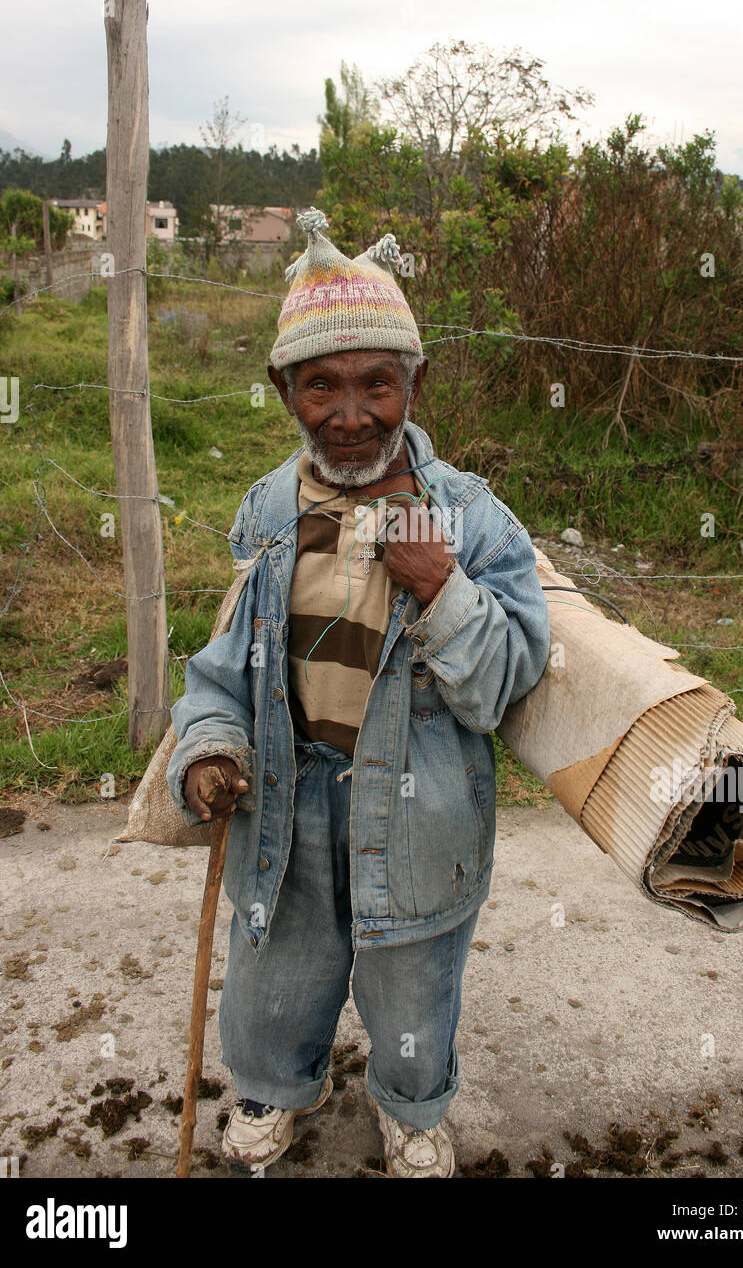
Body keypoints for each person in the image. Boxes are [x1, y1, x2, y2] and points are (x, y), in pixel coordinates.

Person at [166, 208, 550, 1177]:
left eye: (377, 383)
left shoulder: (468, 517)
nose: (351, 412)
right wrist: (211, 747)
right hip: (287, 799)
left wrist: (439, 581)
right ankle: (268, 1089)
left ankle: (412, 1109)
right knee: (273, 974)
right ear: (283, 390)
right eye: (321, 385)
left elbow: (504, 680)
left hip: (419, 813)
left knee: (413, 975)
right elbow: (224, 666)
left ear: (412, 383)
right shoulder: (267, 508)